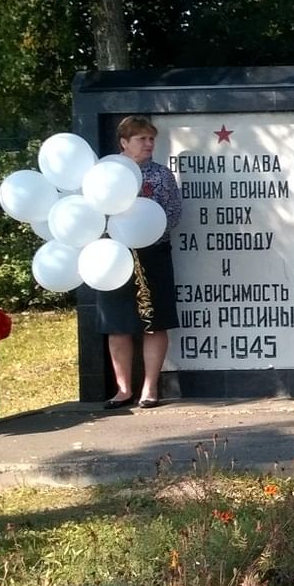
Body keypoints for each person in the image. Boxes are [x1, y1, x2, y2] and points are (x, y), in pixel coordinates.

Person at [94, 115, 184, 410]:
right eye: (141, 139)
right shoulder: (102, 174)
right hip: (111, 255)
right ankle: (122, 390)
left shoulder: (161, 175)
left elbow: (173, 213)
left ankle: (150, 388)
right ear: (124, 142)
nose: (148, 144)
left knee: (154, 323)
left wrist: (147, 230)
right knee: (117, 324)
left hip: (152, 254)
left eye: (151, 139)